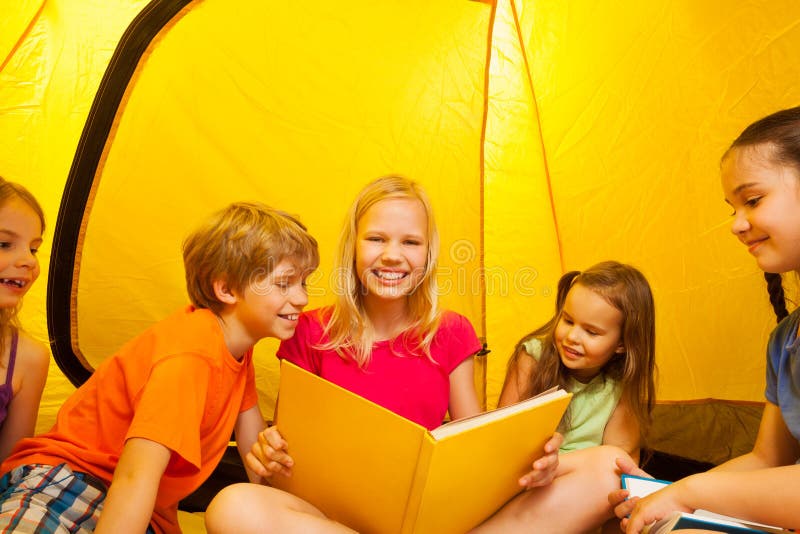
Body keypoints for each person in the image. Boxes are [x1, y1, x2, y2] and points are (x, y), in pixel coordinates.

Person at [204, 175, 563, 534]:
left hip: (426, 518)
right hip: (330, 517)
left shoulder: (451, 332)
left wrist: (531, 463)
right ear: (354, 247)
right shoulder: (311, 331)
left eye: (410, 242)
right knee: (231, 506)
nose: (392, 255)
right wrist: (270, 449)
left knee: (598, 466)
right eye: (376, 239)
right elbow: (289, 453)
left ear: (428, 253)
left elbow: (473, 448)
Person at [0, 202, 319, 534]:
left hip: (146, 509)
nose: (301, 298)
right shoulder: (191, 353)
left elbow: (258, 463)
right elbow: (135, 474)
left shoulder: (237, 352)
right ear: (226, 289)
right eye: (284, 284)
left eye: (304, 283)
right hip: (74, 481)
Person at [611, 106, 800, 533]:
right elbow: (767, 459)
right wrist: (661, 493)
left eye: (752, 200)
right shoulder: (785, 339)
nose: (736, 224)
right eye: (731, 207)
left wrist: (691, 493)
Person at [472, 261, 657, 533]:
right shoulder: (532, 358)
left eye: (591, 332)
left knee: (617, 479)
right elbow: (501, 445)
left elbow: (622, 467)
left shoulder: (621, 387)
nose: (571, 336)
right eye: (568, 320)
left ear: (622, 344)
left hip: (578, 500)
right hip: (521, 486)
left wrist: (559, 467)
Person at [0, 178, 50, 462]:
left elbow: (8, 471)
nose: (29, 261)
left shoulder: (28, 359)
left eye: (33, 248)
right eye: (4, 243)